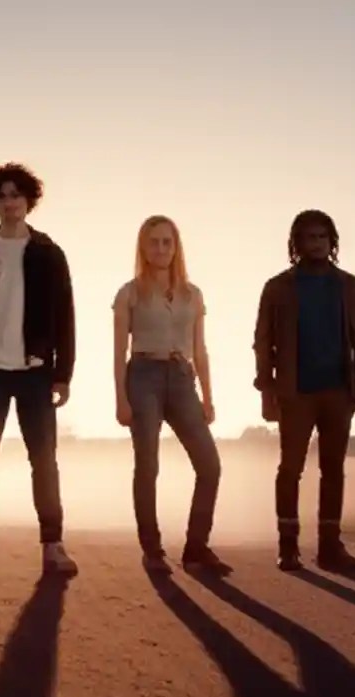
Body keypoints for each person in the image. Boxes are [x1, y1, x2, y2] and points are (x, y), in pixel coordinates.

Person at [0, 162, 78, 576]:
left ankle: (53, 546)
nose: (10, 203)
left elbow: (65, 316)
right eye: (2, 196)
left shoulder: (48, 253)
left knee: (44, 460)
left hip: (36, 371)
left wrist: (63, 373)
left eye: (16, 195)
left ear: (29, 201)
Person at [252, 209, 355, 573]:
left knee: (333, 469)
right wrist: (266, 389)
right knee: (290, 468)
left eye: (323, 237)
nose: (317, 243)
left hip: (339, 390)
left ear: (332, 241)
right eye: (310, 237)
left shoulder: (350, 286)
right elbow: (263, 342)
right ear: (297, 243)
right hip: (295, 392)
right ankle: (288, 546)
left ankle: (329, 547)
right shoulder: (278, 287)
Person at [113, 215, 231, 576]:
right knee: (148, 465)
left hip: (182, 378)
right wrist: (121, 399)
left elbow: (201, 348)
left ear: (176, 247)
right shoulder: (129, 293)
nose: (161, 248)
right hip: (143, 376)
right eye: (154, 242)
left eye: (167, 242)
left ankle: (196, 549)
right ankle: (152, 549)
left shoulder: (192, 295)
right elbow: (119, 352)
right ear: (143, 248)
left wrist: (208, 397)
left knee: (209, 466)